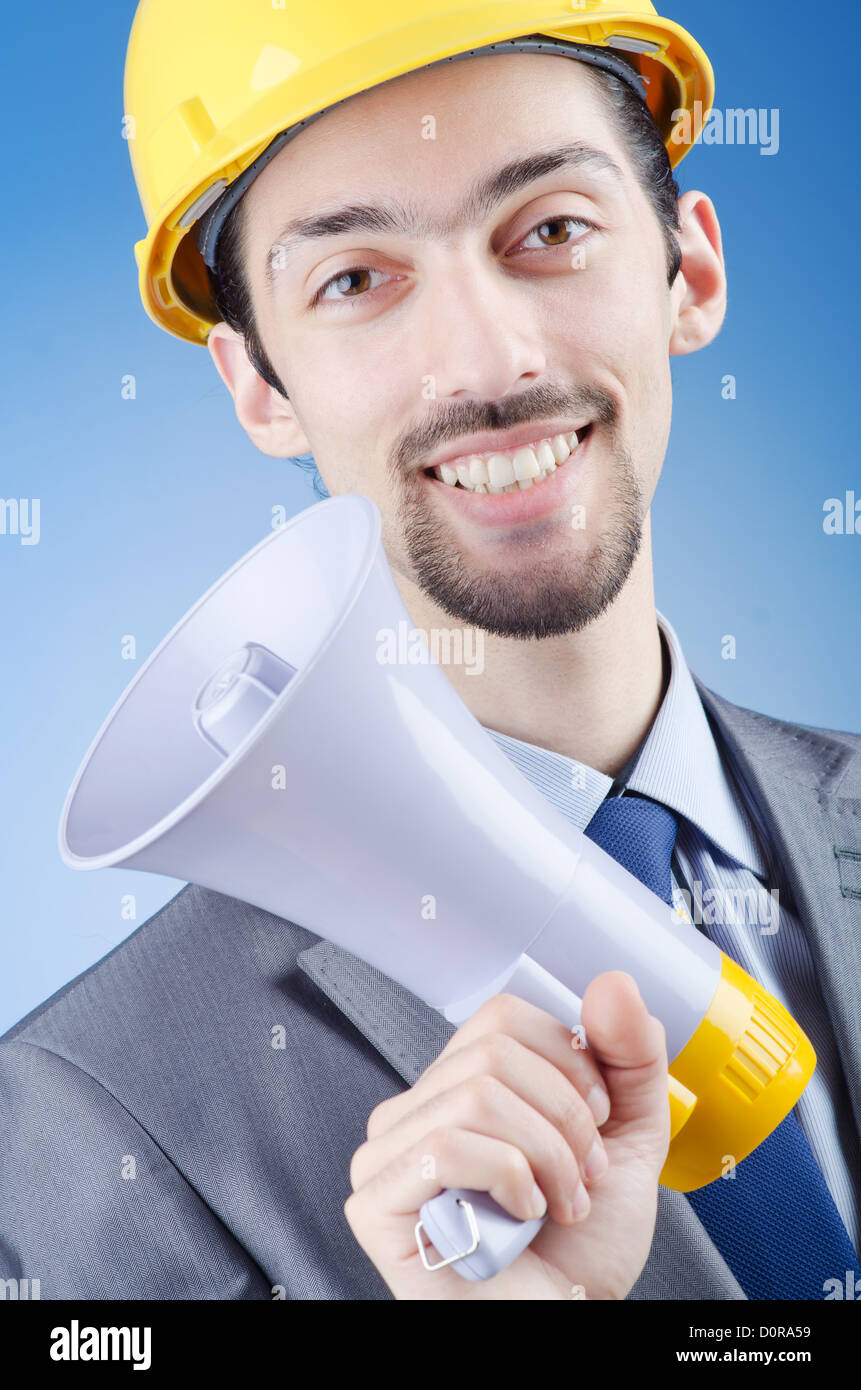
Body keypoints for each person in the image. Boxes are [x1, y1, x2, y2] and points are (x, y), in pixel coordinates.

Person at [1, 2, 859, 1301]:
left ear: (688, 270)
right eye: (354, 279)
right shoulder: (92, 1120)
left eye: (551, 229)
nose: (486, 360)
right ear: (261, 388)